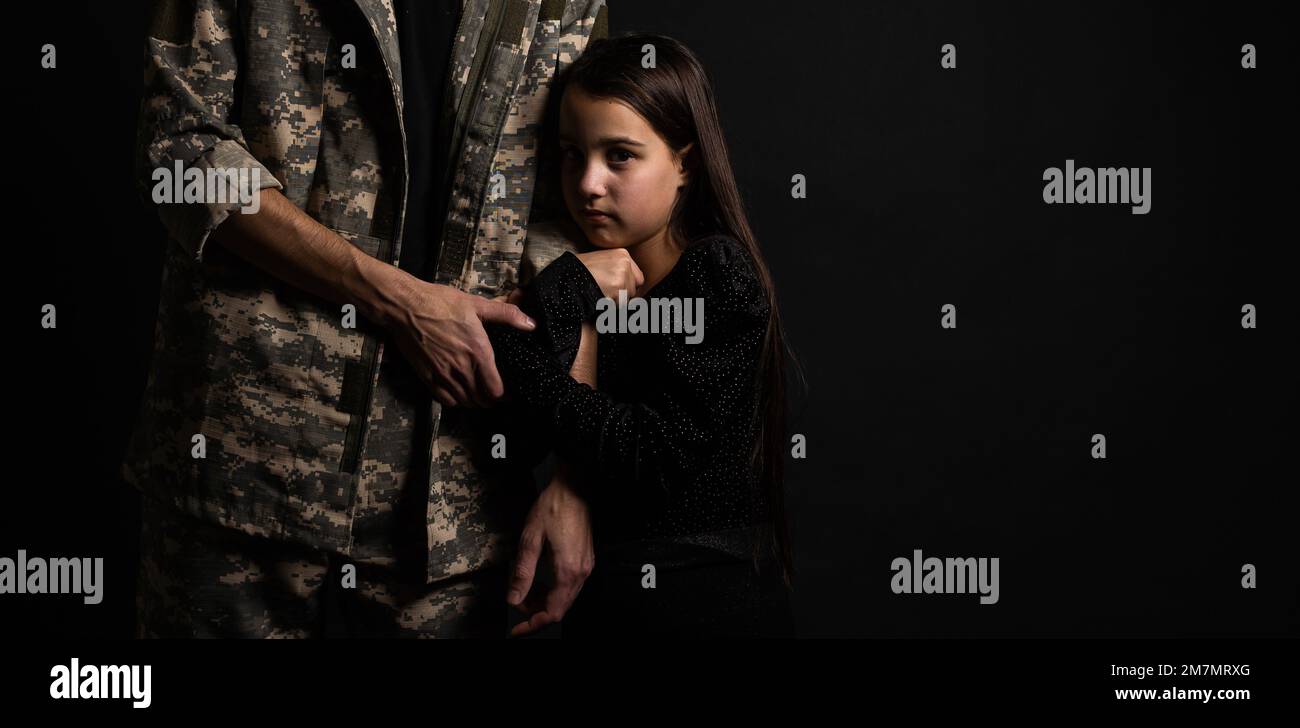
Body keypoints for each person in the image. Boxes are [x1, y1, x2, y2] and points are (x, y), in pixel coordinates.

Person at [123, 0, 607, 637]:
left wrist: (578, 473)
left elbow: (580, 219)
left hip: (457, 491)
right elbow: (179, 152)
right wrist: (399, 300)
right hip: (249, 465)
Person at [489, 34, 799, 637]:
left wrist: (545, 313)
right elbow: (513, 423)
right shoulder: (594, 279)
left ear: (683, 163)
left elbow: (651, 454)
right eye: (573, 154)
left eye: (620, 156)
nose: (588, 184)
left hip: (703, 607)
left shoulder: (716, 274)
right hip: (610, 604)